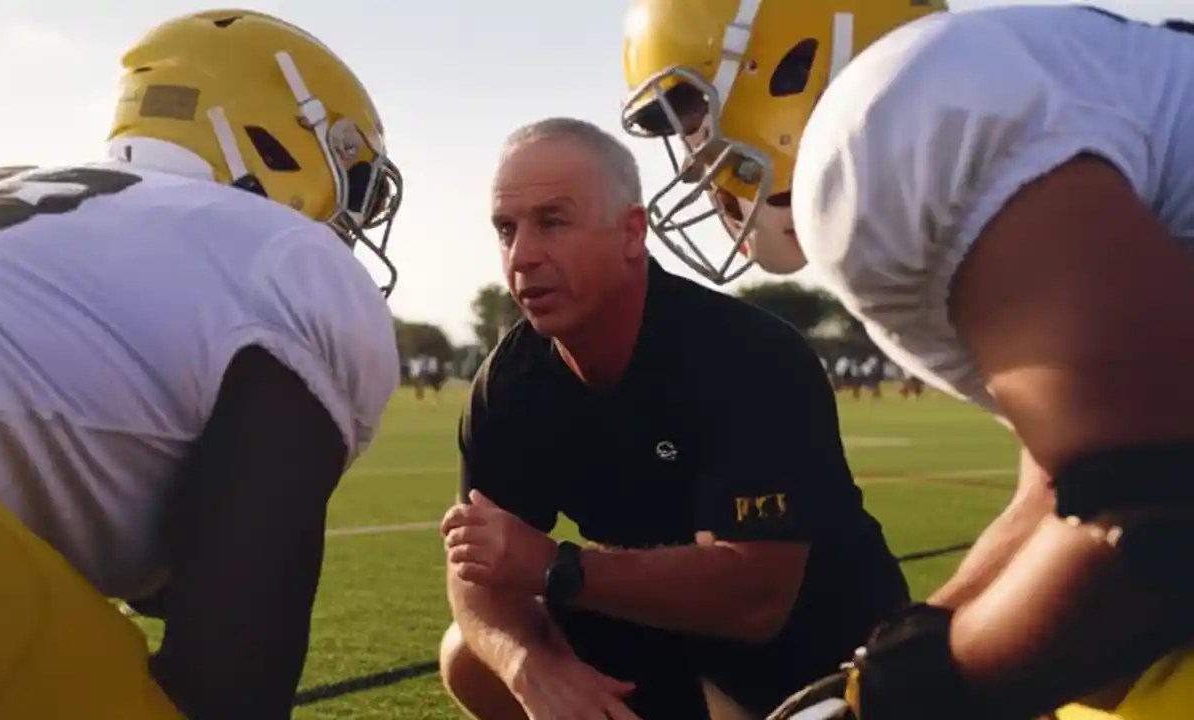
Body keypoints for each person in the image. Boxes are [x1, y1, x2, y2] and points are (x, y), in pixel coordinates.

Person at [619, 1, 1194, 718]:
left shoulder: (888, 115)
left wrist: (916, 695)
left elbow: (1151, 514)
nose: (693, 158)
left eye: (690, 108)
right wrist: (878, 670)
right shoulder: (989, 85)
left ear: (794, 57)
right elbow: (1058, 489)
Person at [0, 9, 402, 719]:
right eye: (353, 185)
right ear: (277, 138)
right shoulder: (288, 260)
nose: (350, 221)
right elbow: (233, 677)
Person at [437, 117, 910, 720]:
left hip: (815, 645)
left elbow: (757, 599)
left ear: (632, 232)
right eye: (507, 230)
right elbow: (475, 570)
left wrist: (559, 566)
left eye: (553, 222)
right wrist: (531, 667)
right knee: (473, 656)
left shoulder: (746, 355)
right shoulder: (511, 381)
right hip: (656, 634)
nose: (522, 255)